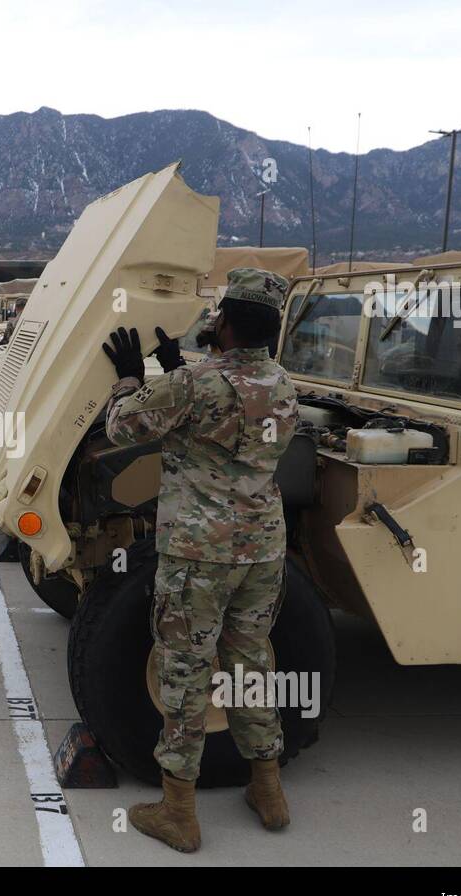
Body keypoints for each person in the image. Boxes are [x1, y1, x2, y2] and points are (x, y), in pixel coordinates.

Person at [101, 268, 298, 853]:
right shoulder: (283, 382)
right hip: (262, 549)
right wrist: (179, 366)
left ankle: (179, 812)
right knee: (251, 664)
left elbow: (123, 425)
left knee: (185, 673)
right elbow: (225, 408)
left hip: (199, 554)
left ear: (226, 321)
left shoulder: (197, 384)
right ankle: (269, 790)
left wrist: (132, 379)